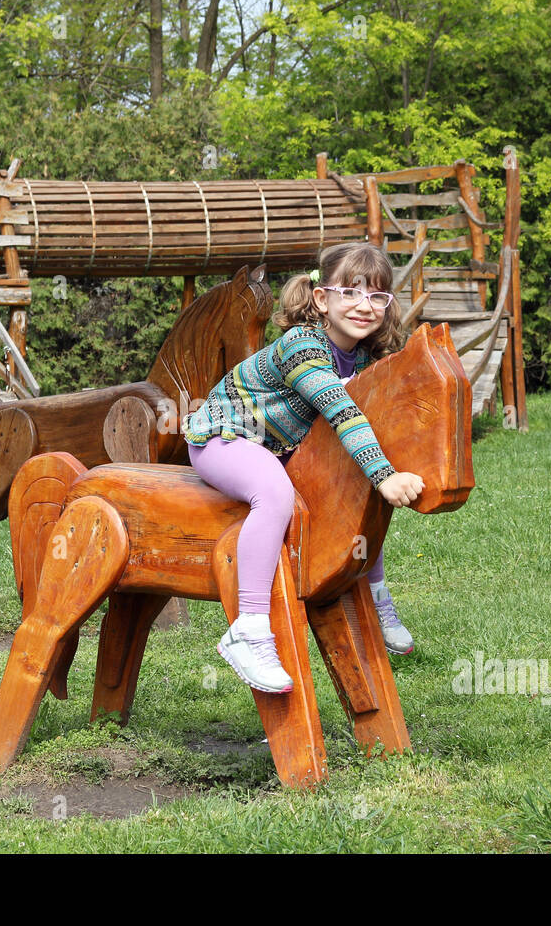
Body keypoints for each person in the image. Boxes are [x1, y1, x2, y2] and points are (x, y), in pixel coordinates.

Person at [182, 242, 424, 694]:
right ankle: (249, 628)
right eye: (350, 293)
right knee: (275, 497)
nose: (364, 306)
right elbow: (341, 411)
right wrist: (386, 476)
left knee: (355, 490)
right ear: (321, 299)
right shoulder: (302, 345)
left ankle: (374, 593)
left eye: (377, 296)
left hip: (280, 445)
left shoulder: (368, 355)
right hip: (228, 437)